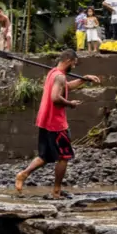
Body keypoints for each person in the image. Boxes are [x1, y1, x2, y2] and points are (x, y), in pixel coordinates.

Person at [14, 50, 99, 199]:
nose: (74, 66)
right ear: (68, 60)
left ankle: (23, 174)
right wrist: (70, 104)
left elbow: (66, 87)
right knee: (64, 156)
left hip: (45, 120)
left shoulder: (53, 73)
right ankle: (56, 191)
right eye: (74, 63)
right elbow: (55, 97)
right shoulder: (59, 76)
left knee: (44, 156)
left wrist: (84, 79)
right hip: (56, 123)